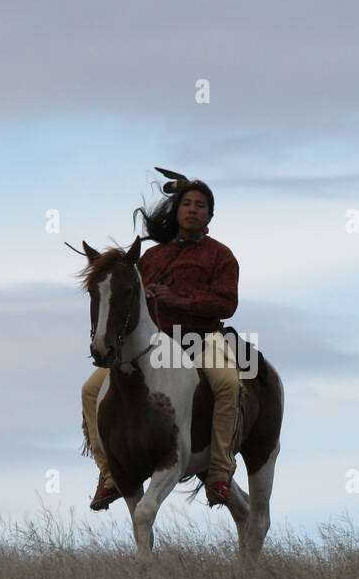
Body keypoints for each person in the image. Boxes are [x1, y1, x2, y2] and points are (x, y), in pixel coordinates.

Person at [81, 168, 242, 510]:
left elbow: (227, 303)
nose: (193, 209)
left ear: (210, 215)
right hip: (154, 344)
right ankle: (109, 473)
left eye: (201, 205)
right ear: (177, 210)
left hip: (202, 338)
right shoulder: (151, 257)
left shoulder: (221, 255)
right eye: (187, 203)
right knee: (91, 390)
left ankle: (219, 472)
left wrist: (178, 300)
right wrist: (149, 297)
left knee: (229, 384)